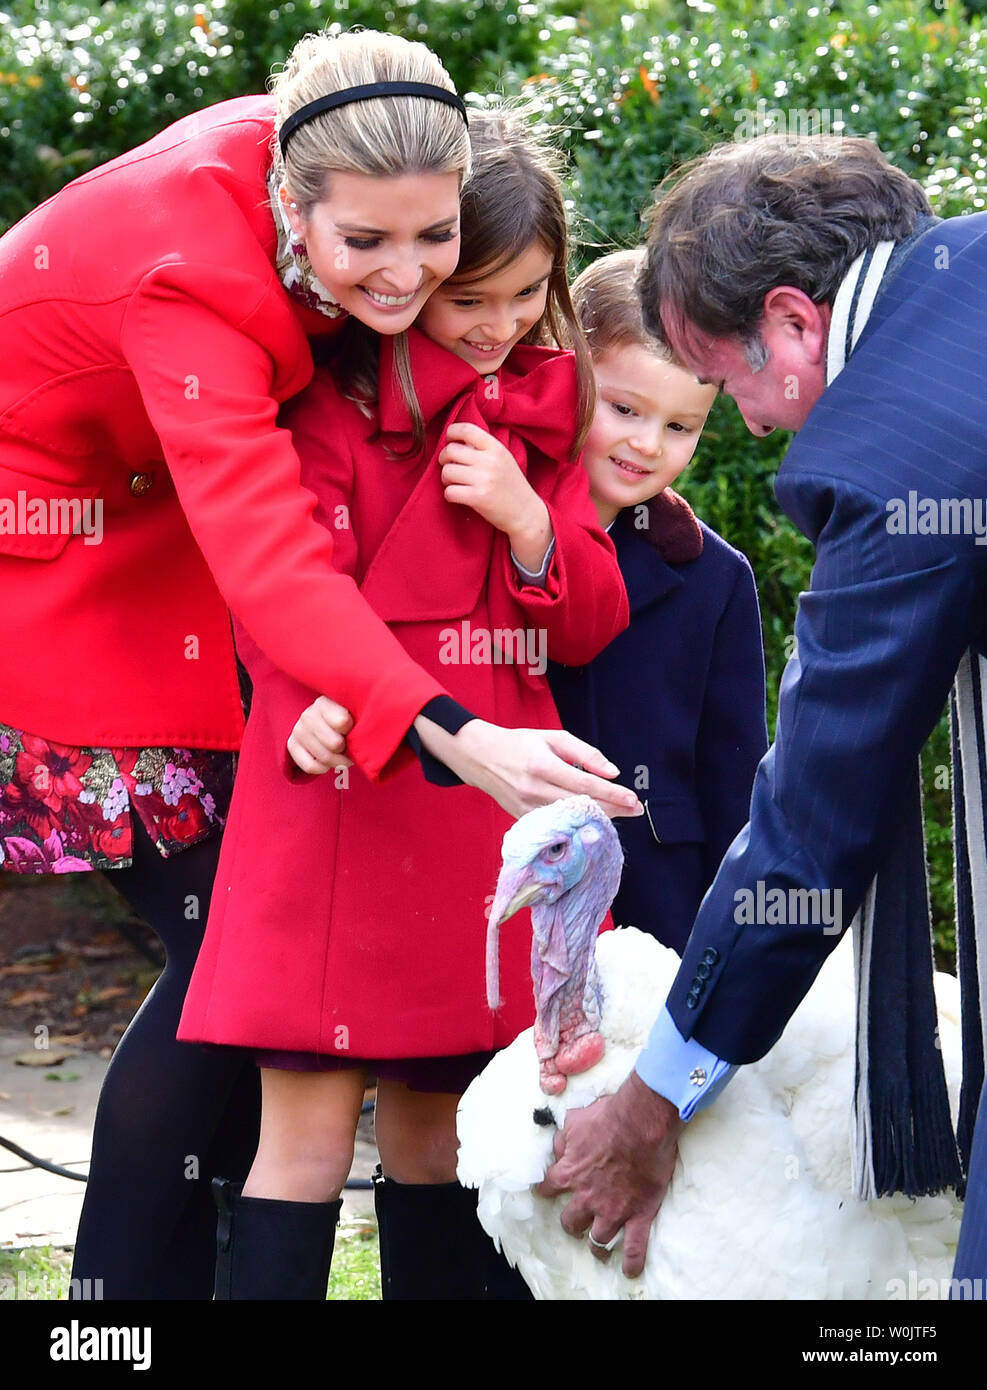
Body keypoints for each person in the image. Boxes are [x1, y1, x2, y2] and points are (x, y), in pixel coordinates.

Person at [0, 28, 637, 1300]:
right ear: (292, 204)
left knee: (237, 975)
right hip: (55, 558)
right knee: (223, 966)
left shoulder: (347, 130)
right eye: (367, 247)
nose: (405, 277)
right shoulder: (195, 286)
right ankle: (111, 1317)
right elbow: (276, 568)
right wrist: (460, 731)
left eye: (436, 235)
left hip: (164, 522)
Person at [177, 105, 631, 1301]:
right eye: (469, 298)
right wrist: (307, 709)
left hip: (484, 809)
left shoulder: (546, 416)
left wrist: (530, 524)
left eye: (527, 295)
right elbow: (279, 588)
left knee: (443, 1138)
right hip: (334, 784)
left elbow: (587, 622)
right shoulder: (321, 406)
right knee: (307, 1143)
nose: (499, 326)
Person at [537, 133, 987, 1293]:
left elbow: (817, 810)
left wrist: (651, 1101)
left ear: (790, 321)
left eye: (727, 381)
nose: (745, 422)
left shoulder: (894, 453)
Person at [548, 248, 767, 954]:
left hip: (657, 906)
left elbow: (733, 777)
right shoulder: (488, 526)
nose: (646, 444)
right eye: (622, 408)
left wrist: (730, 939)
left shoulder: (717, 578)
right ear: (564, 369)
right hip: (503, 881)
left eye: (679, 427)